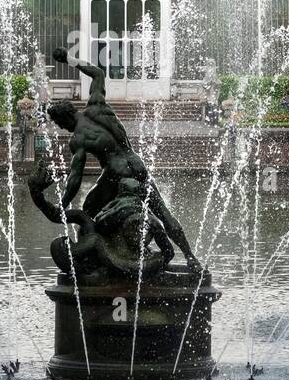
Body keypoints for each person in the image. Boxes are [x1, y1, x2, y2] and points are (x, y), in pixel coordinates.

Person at [45, 46, 200, 271]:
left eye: (60, 125)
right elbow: (98, 73)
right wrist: (69, 59)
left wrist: (62, 205)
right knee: (162, 212)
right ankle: (191, 258)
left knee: (88, 208)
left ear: (64, 121)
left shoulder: (78, 139)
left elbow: (75, 178)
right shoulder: (97, 106)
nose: (62, 129)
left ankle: (90, 256)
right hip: (136, 163)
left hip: (116, 174)